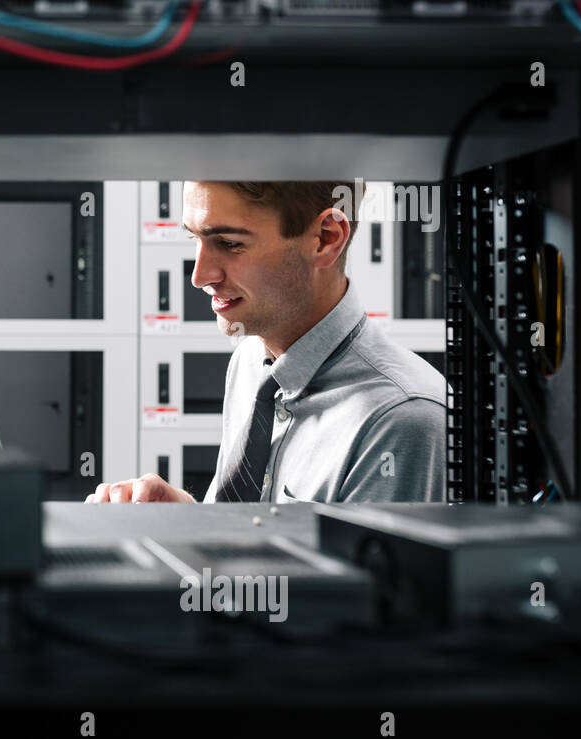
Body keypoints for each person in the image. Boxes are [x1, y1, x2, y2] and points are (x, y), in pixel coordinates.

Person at [87, 180, 446, 505]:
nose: (199, 277)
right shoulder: (252, 361)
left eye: (229, 244)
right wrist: (189, 520)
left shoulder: (404, 421)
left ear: (326, 238)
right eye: (194, 239)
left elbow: (362, 580)